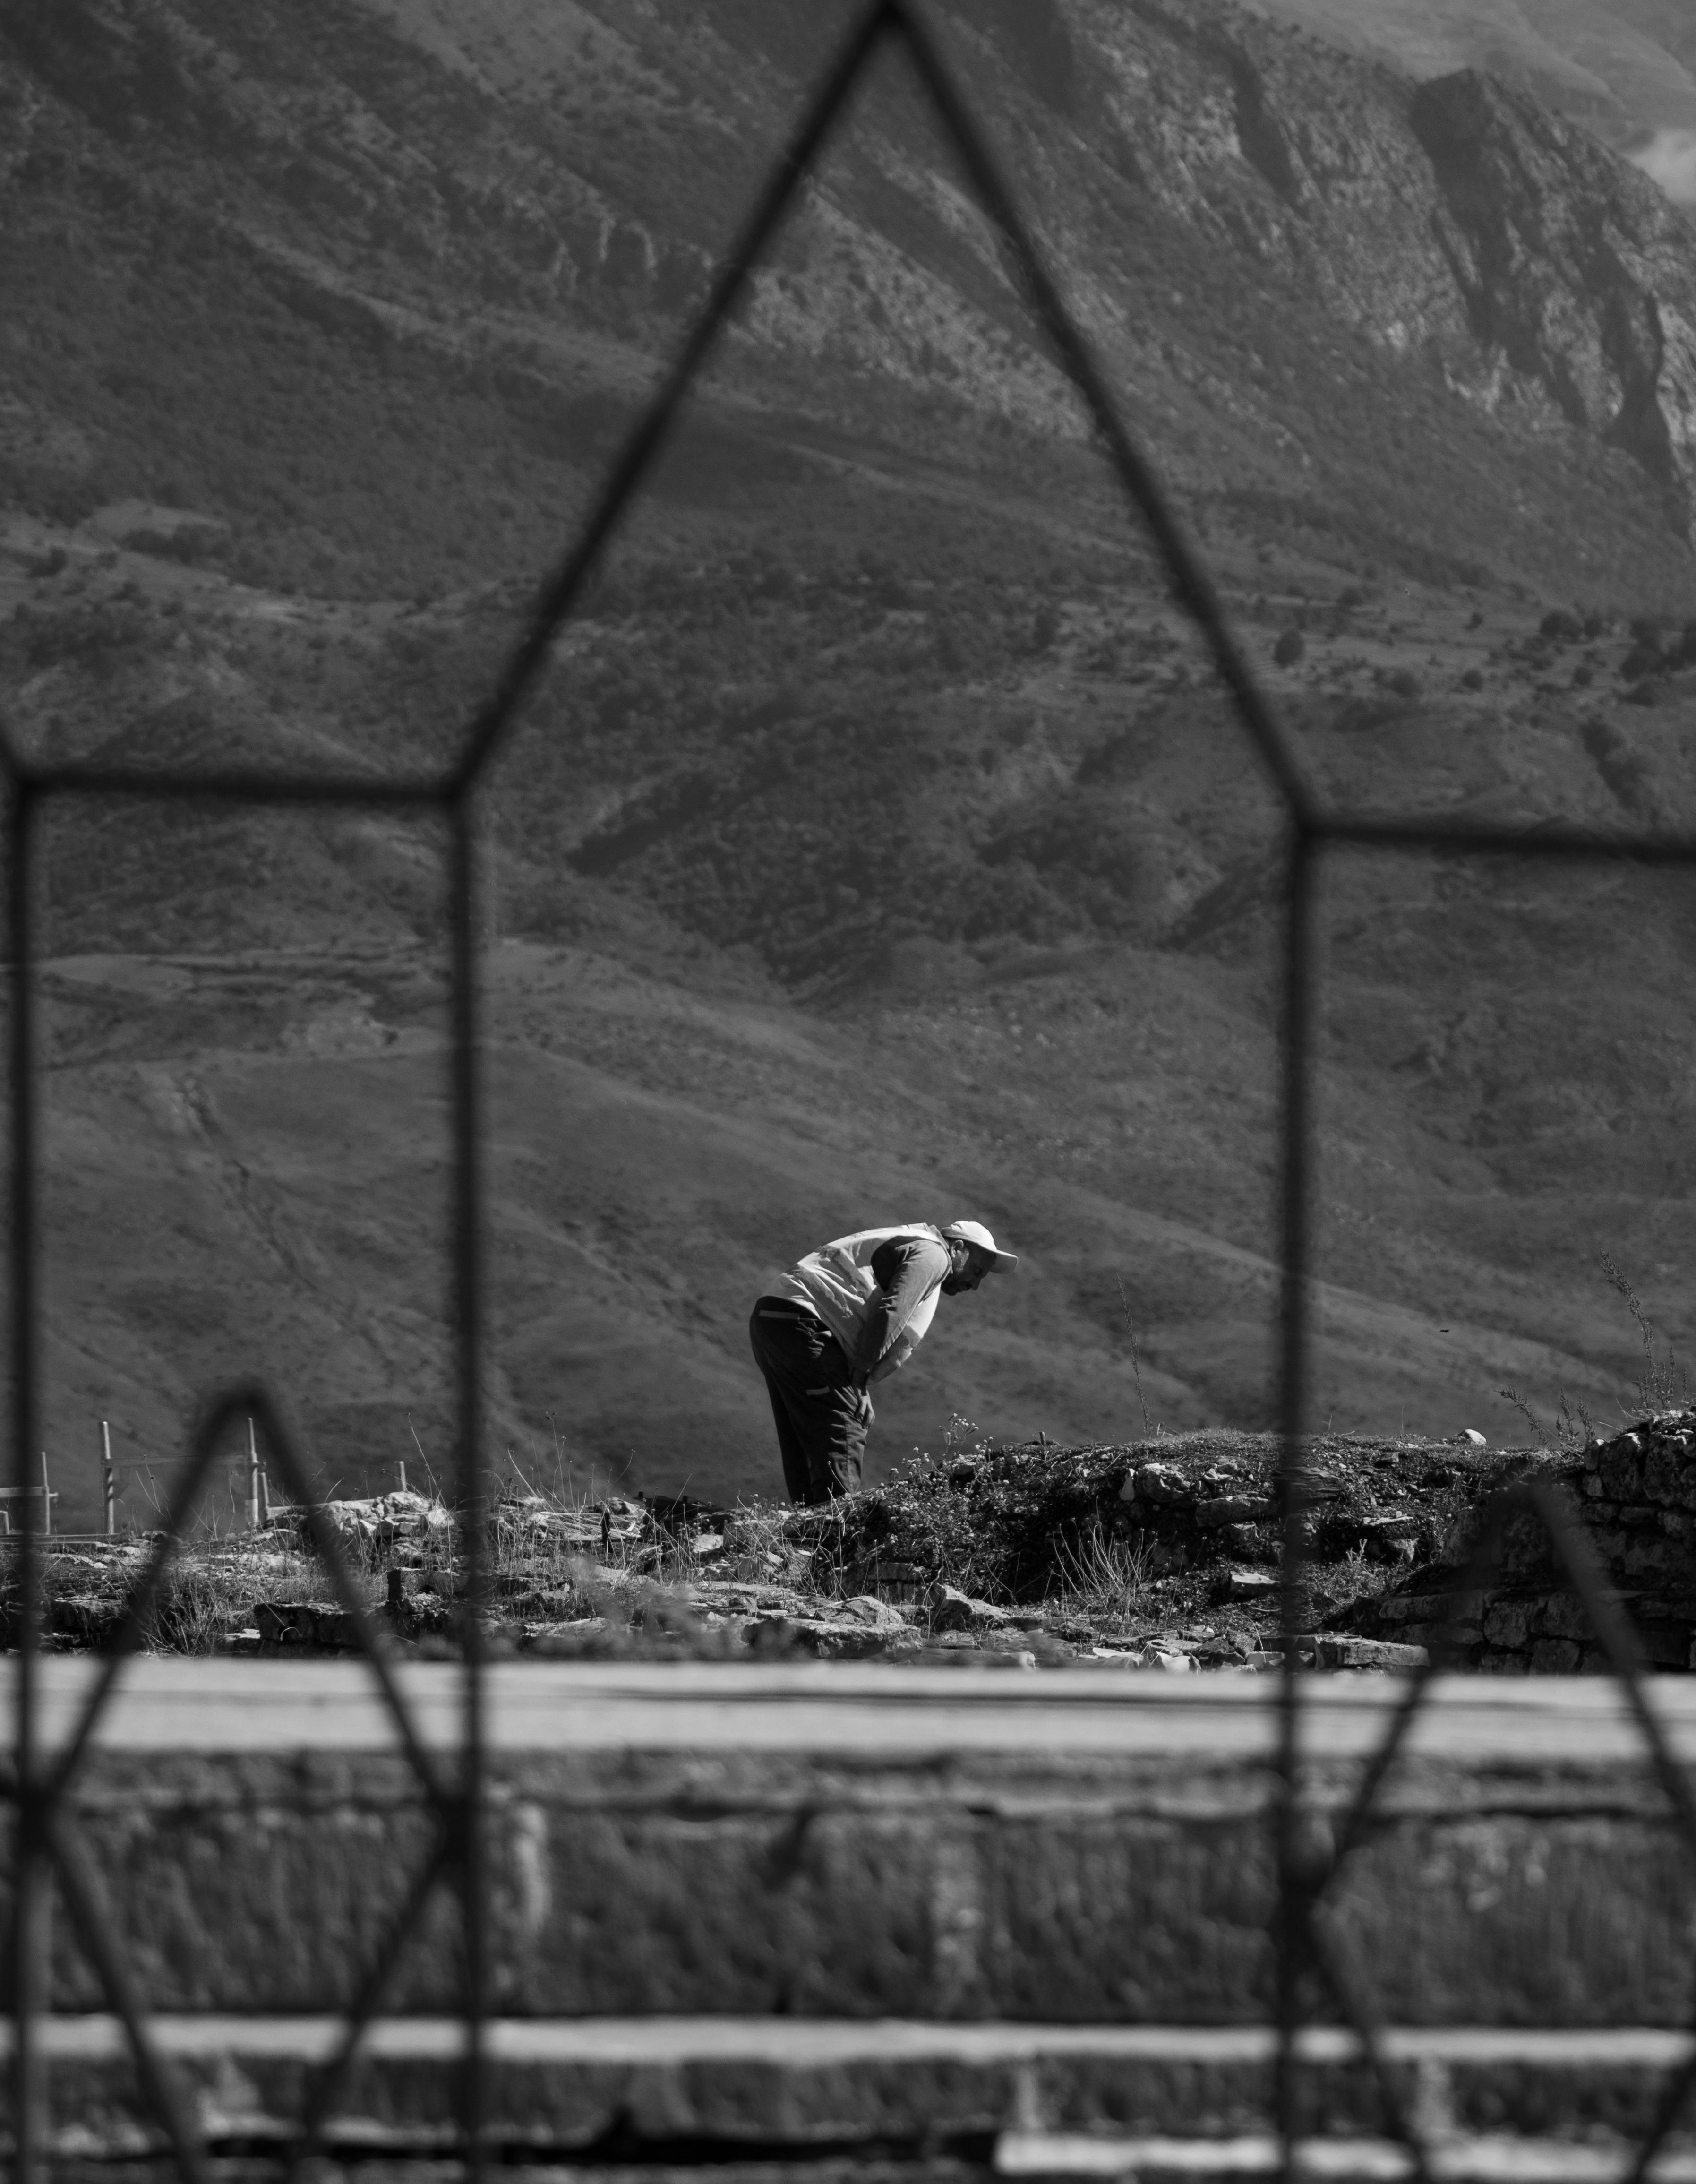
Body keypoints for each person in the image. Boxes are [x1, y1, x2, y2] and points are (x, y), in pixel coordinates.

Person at [748, 1220, 1017, 1504]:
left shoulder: (910, 1239)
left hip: (774, 1317)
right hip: (805, 1323)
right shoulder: (935, 1254)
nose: (975, 1285)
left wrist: (857, 1383)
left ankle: (802, 1530)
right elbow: (893, 1311)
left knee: (801, 1433)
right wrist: (860, 1380)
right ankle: (833, 1531)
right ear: (959, 1248)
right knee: (845, 1422)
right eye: (977, 1271)